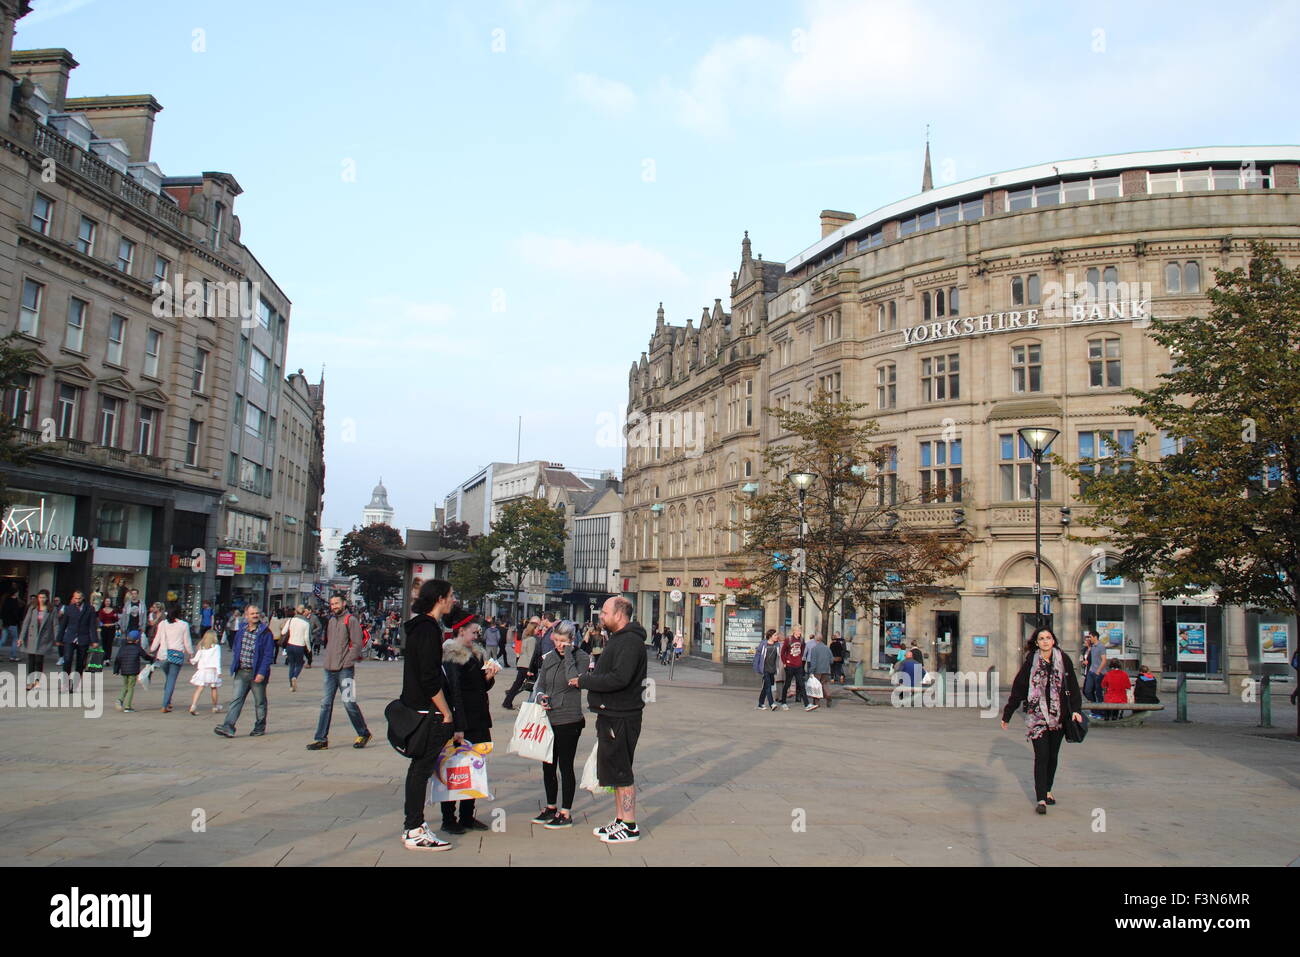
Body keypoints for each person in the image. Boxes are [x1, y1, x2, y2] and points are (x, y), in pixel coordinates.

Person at [571, 596, 646, 844]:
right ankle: (620, 820)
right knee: (613, 771)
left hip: (622, 715)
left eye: (604, 612)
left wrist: (585, 682)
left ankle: (630, 825)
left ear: (619, 614)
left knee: (621, 771)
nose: (600, 616)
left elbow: (619, 678)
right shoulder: (619, 639)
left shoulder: (630, 642)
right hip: (611, 713)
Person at [399, 578, 457, 852]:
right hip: (428, 711)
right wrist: (445, 711)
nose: (454, 600)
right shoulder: (428, 630)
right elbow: (429, 676)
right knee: (421, 770)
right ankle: (414, 828)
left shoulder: (422, 627)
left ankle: (414, 825)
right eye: (451, 595)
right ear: (440, 598)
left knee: (418, 770)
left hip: (419, 707)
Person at [1001, 627, 1084, 814]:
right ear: (1036, 643)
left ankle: (1047, 789)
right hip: (1037, 718)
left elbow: (1072, 687)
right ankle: (1041, 799)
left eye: (1048, 638)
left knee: (1052, 757)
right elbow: (1019, 687)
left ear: (1053, 641)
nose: (1045, 641)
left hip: (1059, 717)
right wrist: (1008, 713)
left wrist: (1076, 710)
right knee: (1041, 756)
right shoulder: (1031, 662)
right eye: (1041, 638)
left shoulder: (1063, 660)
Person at [439, 608, 500, 834]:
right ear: (462, 631)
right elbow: (454, 692)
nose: (477, 636)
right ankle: (448, 818)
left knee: (474, 769)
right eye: (474, 632)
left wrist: (488, 678)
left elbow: (479, 687)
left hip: (478, 718)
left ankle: (467, 815)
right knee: (455, 770)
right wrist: (458, 727)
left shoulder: (474, 653)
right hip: (464, 721)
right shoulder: (453, 656)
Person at [532, 619, 590, 828]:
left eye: (563, 641)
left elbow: (573, 680)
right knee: (548, 765)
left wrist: (567, 656)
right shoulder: (548, 658)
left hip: (569, 719)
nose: (558, 644)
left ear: (571, 640)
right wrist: (540, 696)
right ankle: (550, 807)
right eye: (556, 640)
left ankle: (566, 812)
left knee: (565, 766)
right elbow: (542, 682)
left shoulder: (581, 657)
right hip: (548, 718)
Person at [307, 594, 372, 750]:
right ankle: (321, 739)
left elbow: (357, 645)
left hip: (345, 670)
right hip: (329, 669)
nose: (334, 606)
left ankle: (363, 733)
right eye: (332, 604)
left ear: (344, 603)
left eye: (337, 603)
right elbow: (329, 644)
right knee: (325, 704)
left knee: (348, 702)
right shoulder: (331, 620)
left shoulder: (351, 620)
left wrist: (346, 663)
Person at [214, 605, 275, 738]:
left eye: (257, 613)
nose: (255, 615)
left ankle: (259, 727)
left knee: (259, 701)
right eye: (252, 613)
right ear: (246, 615)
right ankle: (228, 726)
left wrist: (262, 672)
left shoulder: (265, 632)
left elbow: (268, 655)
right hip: (241, 671)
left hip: (257, 672)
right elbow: (237, 646)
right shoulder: (242, 629)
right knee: (236, 699)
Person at [149, 604, 195, 713]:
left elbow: (157, 639)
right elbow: (187, 641)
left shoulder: (162, 624)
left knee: (168, 678)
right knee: (171, 680)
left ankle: (168, 701)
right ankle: (165, 704)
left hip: (163, 655)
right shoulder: (183, 625)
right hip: (176, 655)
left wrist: (152, 649)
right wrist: (191, 653)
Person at [19, 590, 57, 691]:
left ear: (47, 598)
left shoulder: (52, 609)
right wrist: (21, 637)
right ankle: (30, 682)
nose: (41, 600)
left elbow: (55, 624)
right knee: (31, 660)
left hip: (44, 638)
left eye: (43, 597)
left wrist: (57, 638)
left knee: (39, 661)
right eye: (40, 597)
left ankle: (37, 681)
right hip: (32, 637)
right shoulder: (33, 608)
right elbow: (26, 623)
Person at [58, 590, 96, 687]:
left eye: (79, 598)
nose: (77, 600)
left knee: (80, 662)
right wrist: (59, 639)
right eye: (75, 598)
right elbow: (63, 625)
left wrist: (94, 640)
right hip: (70, 637)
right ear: (73, 598)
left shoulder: (90, 609)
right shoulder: (68, 608)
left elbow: (92, 625)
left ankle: (75, 683)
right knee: (67, 659)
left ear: (82, 598)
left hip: (83, 637)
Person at [501, 620, 538, 710]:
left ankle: (507, 700)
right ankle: (509, 701)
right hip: (527, 665)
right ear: (533, 629)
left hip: (522, 663)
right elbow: (531, 655)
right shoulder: (532, 640)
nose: (538, 630)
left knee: (517, 684)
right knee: (530, 685)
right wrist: (531, 668)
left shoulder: (525, 638)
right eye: (537, 628)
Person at [113, 629, 149, 712]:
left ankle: (120, 700)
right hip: (133, 671)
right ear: (137, 640)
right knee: (131, 688)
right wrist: (152, 659)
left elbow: (118, 659)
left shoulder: (122, 648)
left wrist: (116, 670)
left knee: (125, 686)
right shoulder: (137, 648)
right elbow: (145, 656)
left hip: (124, 670)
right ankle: (128, 706)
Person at [188, 629, 223, 715]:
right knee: (214, 688)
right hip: (212, 670)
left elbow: (196, 659)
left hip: (203, 670)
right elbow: (217, 659)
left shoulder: (202, 647)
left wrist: (191, 660)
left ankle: (193, 705)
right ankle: (215, 706)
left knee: (199, 688)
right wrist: (219, 671)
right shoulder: (216, 647)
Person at [282, 605, 311, 691]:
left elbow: (283, 631)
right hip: (300, 646)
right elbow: (306, 638)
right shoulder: (306, 623)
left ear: (296, 612)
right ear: (304, 613)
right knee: (299, 664)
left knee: (291, 665)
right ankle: (295, 676)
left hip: (290, 644)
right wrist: (309, 648)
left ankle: (291, 686)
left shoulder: (291, 620)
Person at [778, 628, 806, 709]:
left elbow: (803, 649)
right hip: (790, 665)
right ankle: (783, 701)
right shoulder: (789, 639)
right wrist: (785, 662)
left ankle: (807, 704)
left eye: (800, 631)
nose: (799, 632)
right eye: (798, 631)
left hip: (798, 665)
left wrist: (799, 659)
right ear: (794, 631)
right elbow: (782, 652)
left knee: (801, 684)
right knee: (787, 683)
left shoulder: (801, 640)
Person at [754, 629, 781, 711]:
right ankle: (772, 703)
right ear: (770, 636)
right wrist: (757, 667)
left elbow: (778, 657)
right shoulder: (763, 644)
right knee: (768, 686)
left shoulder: (777, 645)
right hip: (765, 668)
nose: (777, 637)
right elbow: (758, 656)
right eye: (775, 635)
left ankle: (760, 703)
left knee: (766, 686)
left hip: (772, 669)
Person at [1082, 631, 1107, 719]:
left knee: (1098, 693)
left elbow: (1104, 660)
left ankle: (1100, 712)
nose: (1089, 638)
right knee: (1087, 690)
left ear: (1095, 637)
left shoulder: (1101, 646)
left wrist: (1098, 671)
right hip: (1091, 671)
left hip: (1098, 673)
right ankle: (1094, 710)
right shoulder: (1092, 647)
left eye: (1090, 636)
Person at [805, 633, 833, 710]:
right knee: (825, 684)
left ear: (815, 640)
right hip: (826, 670)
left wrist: (811, 671)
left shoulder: (814, 649)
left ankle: (817, 702)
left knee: (816, 686)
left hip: (817, 670)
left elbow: (813, 662)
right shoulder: (827, 648)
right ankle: (828, 696)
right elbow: (831, 660)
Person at [1, 585, 23, 661]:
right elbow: (16, 613)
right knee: (15, 639)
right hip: (13, 623)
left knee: (3, 639)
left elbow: (3, 613)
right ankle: (13, 656)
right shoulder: (15, 601)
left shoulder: (5, 600)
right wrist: (18, 621)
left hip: (5, 623)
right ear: (15, 593)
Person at [96, 598, 119, 665]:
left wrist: (114, 621)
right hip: (104, 628)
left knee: (109, 644)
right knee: (104, 644)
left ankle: (107, 659)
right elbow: (100, 620)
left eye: (109, 601)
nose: (107, 602)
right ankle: (103, 658)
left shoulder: (114, 611)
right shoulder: (101, 611)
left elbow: (116, 619)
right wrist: (102, 625)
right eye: (106, 601)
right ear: (104, 602)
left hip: (111, 628)